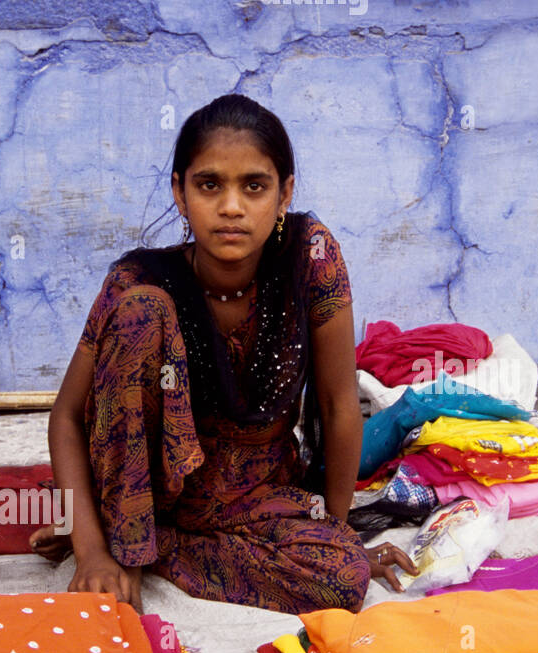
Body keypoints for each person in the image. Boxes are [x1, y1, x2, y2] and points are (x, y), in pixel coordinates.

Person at [35, 93, 414, 614]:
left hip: (256, 502)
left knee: (342, 578)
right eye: (209, 184)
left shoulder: (311, 257)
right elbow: (66, 417)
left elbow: (338, 404)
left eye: (254, 186)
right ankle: (124, 536)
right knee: (141, 310)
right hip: (147, 491)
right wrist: (92, 551)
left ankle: (150, 548)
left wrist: (338, 533)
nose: (231, 206)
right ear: (180, 191)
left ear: (284, 195)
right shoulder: (138, 280)